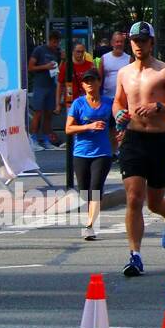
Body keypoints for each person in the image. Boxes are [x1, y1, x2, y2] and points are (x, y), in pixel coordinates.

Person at [112, 21, 165, 277]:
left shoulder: (164, 72)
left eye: (143, 41)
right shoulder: (124, 73)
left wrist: (160, 107)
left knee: (154, 202)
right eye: (134, 40)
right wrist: (119, 114)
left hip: (159, 140)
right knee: (134, 198)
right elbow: (117, 103)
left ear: (152, 43)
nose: (138, 45)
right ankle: (135, 255)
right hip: (133, 139)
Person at [65, 68, 112, 240]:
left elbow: (115, 127)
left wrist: (116, 146)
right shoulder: (78, 104)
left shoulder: (109, 103)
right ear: (83, 85)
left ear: (99, 82)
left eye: (93, 80)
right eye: (86, 81)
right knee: (85, 191)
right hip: (81, 153)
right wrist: (88, 126)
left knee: (95, 189)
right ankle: (90, 216)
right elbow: (68, 128)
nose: (90, 83)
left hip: (102, 153)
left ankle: (90, 225)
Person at [27, 30, 62, 149]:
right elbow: (30, 67)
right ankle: (33, 139)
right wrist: (45, 67)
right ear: (49, 40)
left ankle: (46, 140)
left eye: (57, 43)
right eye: (53, 42)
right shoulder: (39, 50)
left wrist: (63, 59)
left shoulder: (57, 52)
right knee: (38, 112)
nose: (55, 45)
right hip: (40, 86)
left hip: (51, 86)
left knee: (48, 114)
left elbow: (59, 69)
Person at [61, 42, 96, 158]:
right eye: (78, 51)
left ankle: (83, 146)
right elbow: (60, 84)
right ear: (72, 52)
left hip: (86, 100)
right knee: (72, 125)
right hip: (71, 100)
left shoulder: (90, 65)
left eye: (82, 52)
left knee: (85, 122)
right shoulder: (66, 66)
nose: (80, 54)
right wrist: (58, 102)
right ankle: (76, 148)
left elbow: (96, 82)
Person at [99, 31, 131, 101]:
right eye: (117, 42)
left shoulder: (130, 59)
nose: (119, 44)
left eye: (121, 42)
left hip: (124, 99)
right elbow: (99, 79)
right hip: (107, 98)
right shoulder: (104, 58)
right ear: (112, 43)